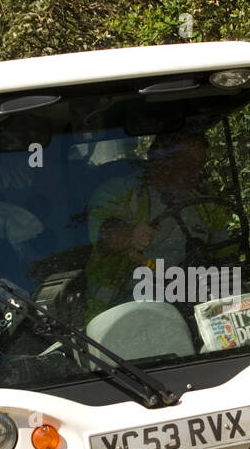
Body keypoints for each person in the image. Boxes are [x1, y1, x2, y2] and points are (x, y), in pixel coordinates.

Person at [84, 132, 239, 322]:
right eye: (186, 164)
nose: (195, 173)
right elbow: (107, 233)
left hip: (191, 295)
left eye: (199, 165)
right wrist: (130, 235)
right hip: (123, 302)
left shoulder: (204, 204)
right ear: (160, 161)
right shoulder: (119, 191)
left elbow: (226, 254)